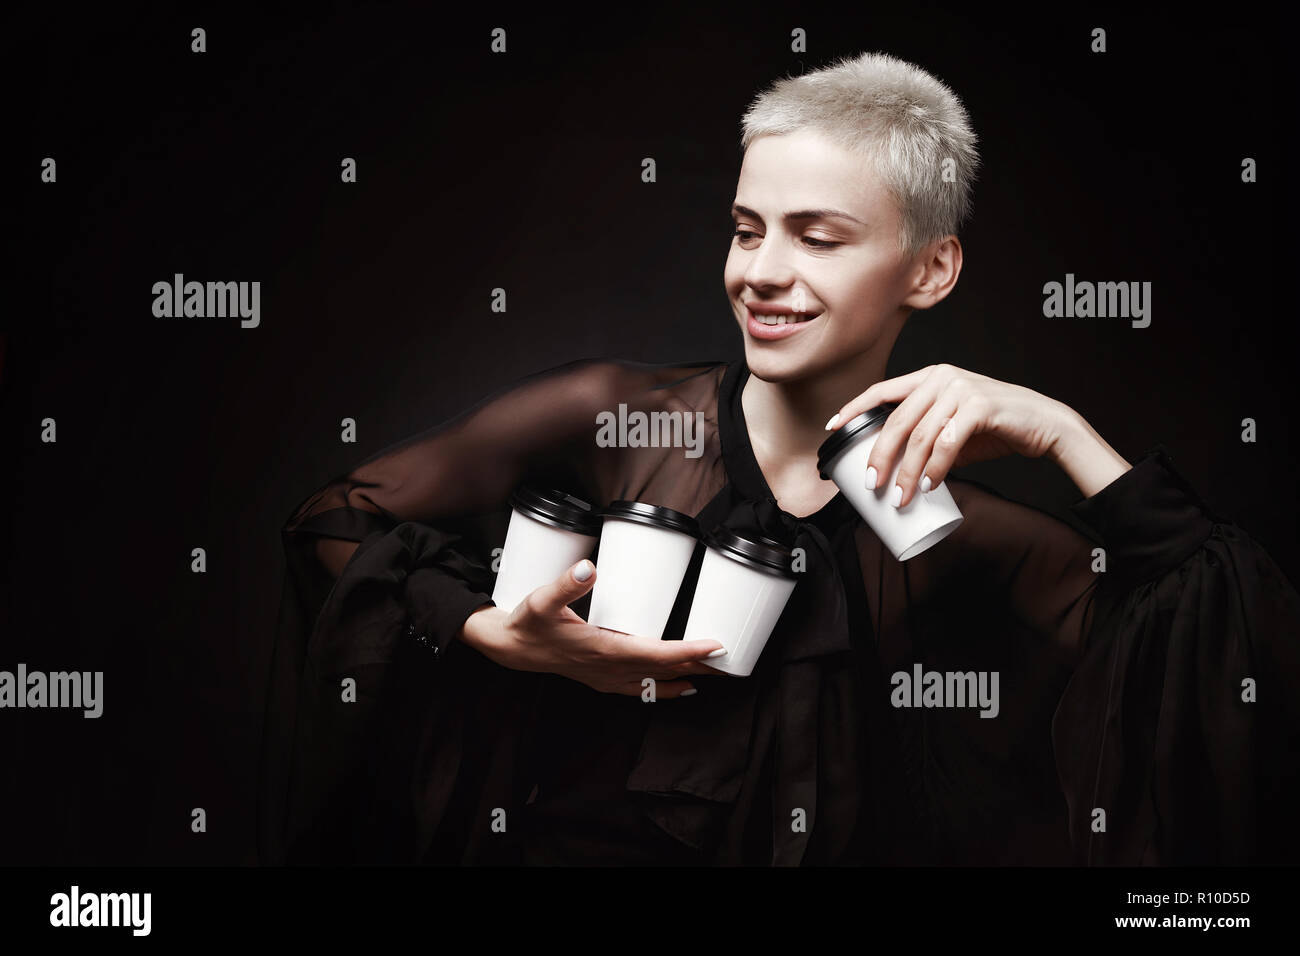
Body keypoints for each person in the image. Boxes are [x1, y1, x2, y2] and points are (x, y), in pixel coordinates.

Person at [257, 51, 1300, 866]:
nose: (761, 270)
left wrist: (1059, 429)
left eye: (818, 235)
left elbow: (1222, 652)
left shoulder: (959, 534)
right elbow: (335, 518)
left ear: (930, 269)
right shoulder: (616, 416)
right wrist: (493, 632)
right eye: (747, 227)